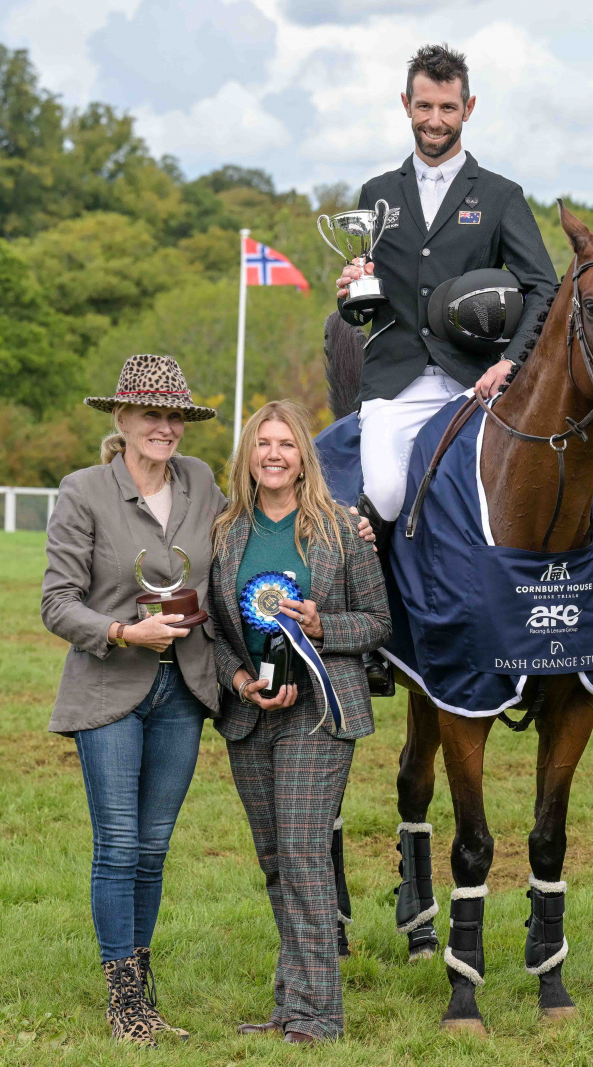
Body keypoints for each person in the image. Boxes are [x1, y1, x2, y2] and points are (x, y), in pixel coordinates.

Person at [335, 43, 593, 532]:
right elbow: (361, 311)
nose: (435, 119)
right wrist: (350, 294)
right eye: (424, 106)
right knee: (383, 495)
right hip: (395, 384)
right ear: (405, 104)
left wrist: (510, 364)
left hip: (480, 382)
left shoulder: (500, 195)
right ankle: (381, 609)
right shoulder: (377, 193)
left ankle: (591, 593)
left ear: (468, 109)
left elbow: (544, 290)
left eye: (448, 108)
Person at [40, 353, 223, 1047]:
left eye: (175, 415)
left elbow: (244, 541)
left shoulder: (202, 480)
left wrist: (343, 527)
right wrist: (122, 630)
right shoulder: (83, 490)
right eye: (152, 413)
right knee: (117, 844)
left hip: (186, 687)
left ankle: (143, 992)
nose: (166, 427)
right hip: (111, 687)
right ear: (120, 416)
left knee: (153, 847)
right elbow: (57, 603)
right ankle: (123, 1001)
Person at [210, 400, 391, 1044]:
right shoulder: (226, 530)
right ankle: (291, 1006)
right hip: (250, 714)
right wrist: (239, 680)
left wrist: (321, 625)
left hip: (321, 714)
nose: (274, 454)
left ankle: (322, 1014)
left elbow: (377, 621)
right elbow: (216, 628)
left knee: (306, 855)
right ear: (248, 456)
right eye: (263, 444)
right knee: (275, 861)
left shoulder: (341, 529)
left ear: (303, 456)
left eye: (286, 443)